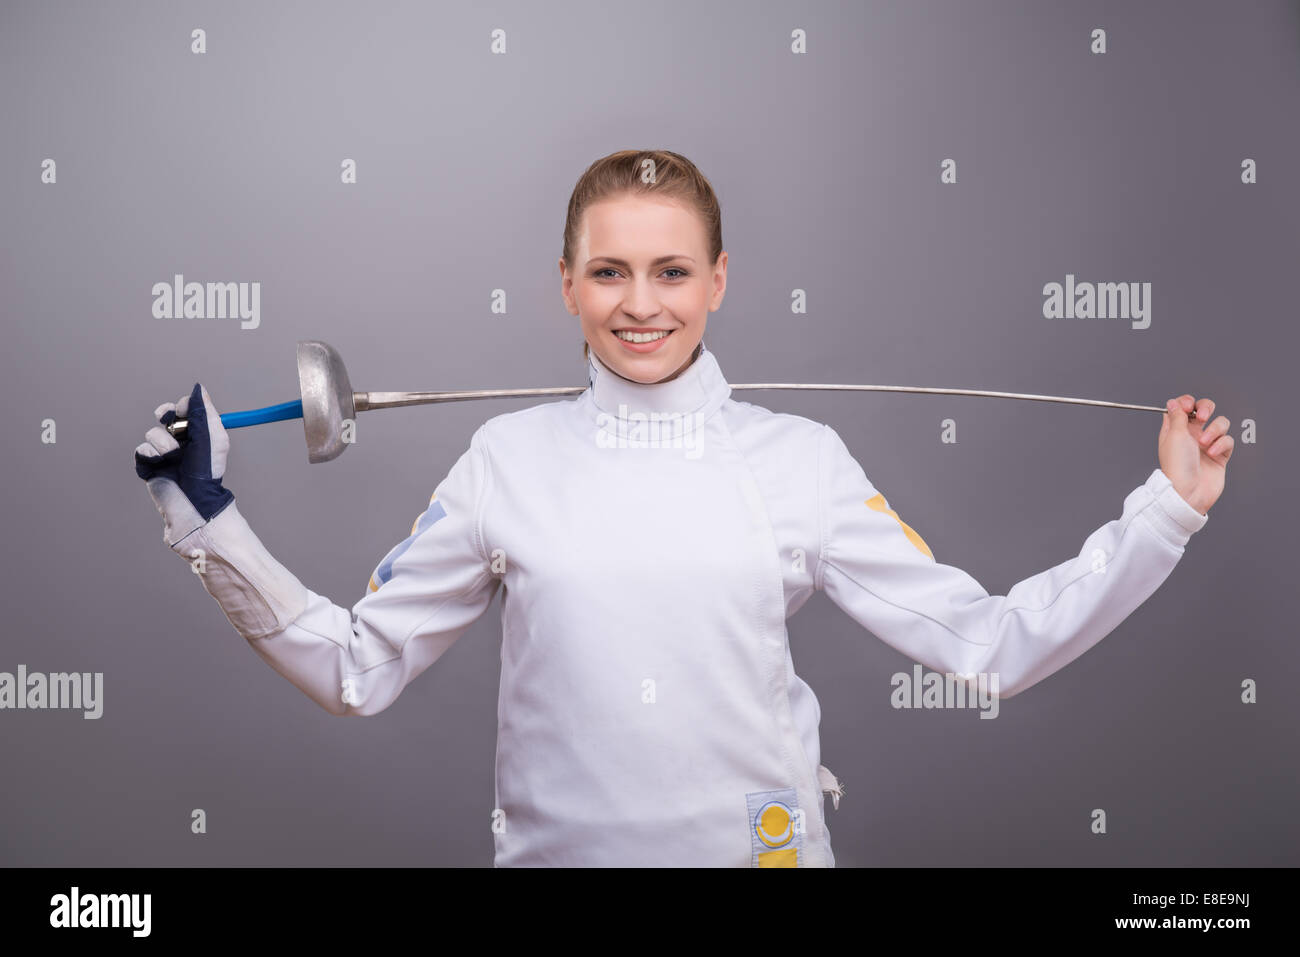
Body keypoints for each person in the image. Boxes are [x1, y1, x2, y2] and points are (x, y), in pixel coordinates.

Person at [134, 149, 1233, 867]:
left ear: (718, 281)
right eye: (609, 273)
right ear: (564, 282)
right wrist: (207, 518)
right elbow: (356, 671)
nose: (641, 305)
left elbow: (988, 647)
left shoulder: (798, 459)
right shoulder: (503, 460)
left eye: (670, 272)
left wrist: (1163, 515)